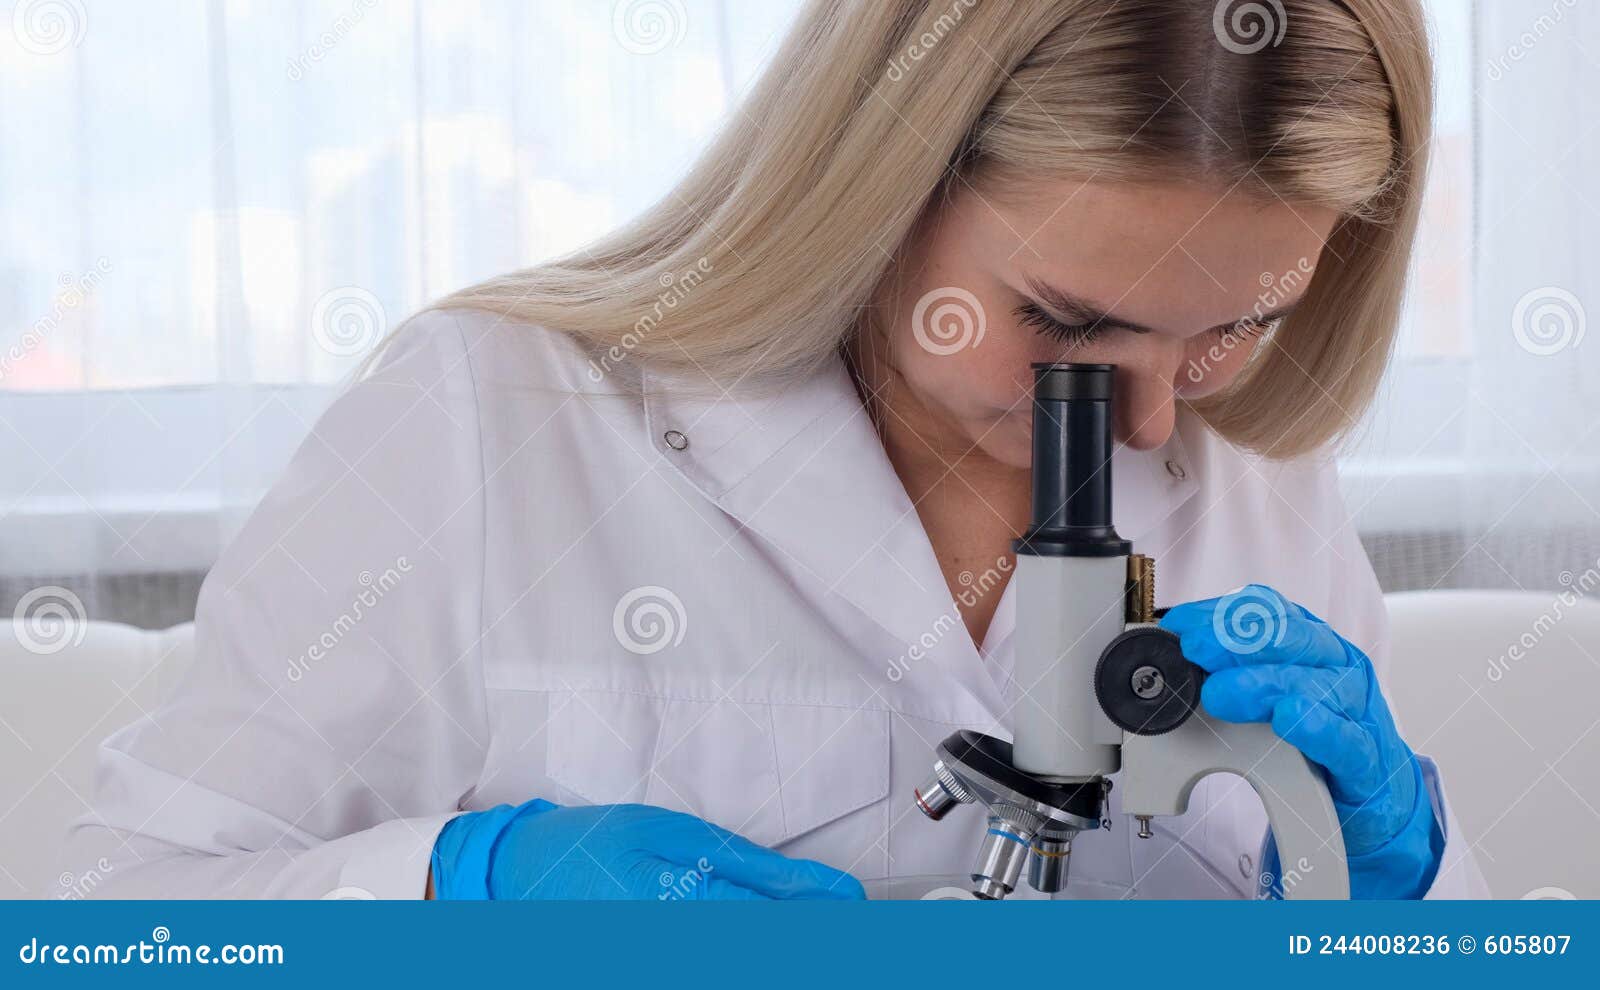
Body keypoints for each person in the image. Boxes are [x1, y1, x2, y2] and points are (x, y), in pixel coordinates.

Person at [69, 0, 1488, 900]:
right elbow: (109, 927)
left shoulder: (1260, 474)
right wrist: (458, 886)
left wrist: (1408, 892)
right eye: (1064, 320)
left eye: (1229, 329)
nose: (1154, 425)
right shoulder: (491, 419)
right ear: (880, 176)